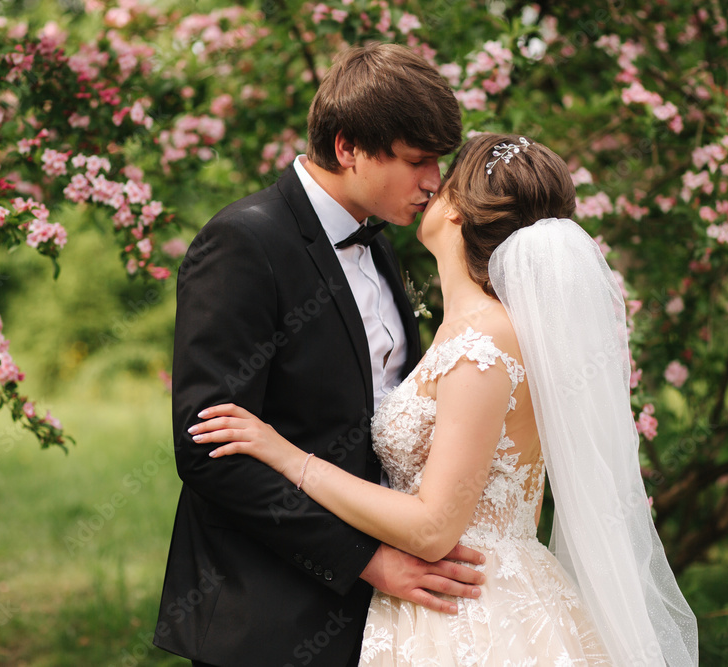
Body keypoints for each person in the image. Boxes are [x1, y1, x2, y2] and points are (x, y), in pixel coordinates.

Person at [192, 133, 700, 665]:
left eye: (444, 176)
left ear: (459, 212)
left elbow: (433, 528)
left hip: (470, 609)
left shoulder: (481, 345)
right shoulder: (479, 331)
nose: (431, 185)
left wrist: (287, 455)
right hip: (465, 592)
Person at [154, 43, 489, 667]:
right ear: (347, 147)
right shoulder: (243, 243)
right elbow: (209, 453)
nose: (432, 183)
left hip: (381, 618)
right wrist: (368, 562)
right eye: (417, 161)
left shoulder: (382, 244)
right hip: (267, 616)